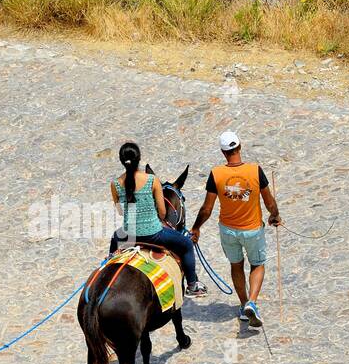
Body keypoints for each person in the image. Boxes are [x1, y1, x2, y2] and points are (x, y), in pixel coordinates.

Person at [190, 131, 280, 326]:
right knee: (257, 264)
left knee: (236, 265)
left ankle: (242, 305)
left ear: (223, 152)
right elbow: (269, 201)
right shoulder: (255, 170)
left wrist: (196, 227)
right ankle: (252, 302)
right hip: (253, 230)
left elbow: (207, 208)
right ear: (240, 146)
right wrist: (275, 216)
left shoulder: (216, 174)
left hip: (228, 230)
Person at [109, 142, 208, 296]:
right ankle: (192, 285)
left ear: (121, 160)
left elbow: (121, 212)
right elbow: (162, 212)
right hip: (154, 234)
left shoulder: (115, 184)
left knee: (114, 242)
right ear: (139, 159)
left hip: (128, 236)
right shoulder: (151, 180)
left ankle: (109, 272)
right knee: (187, 244)